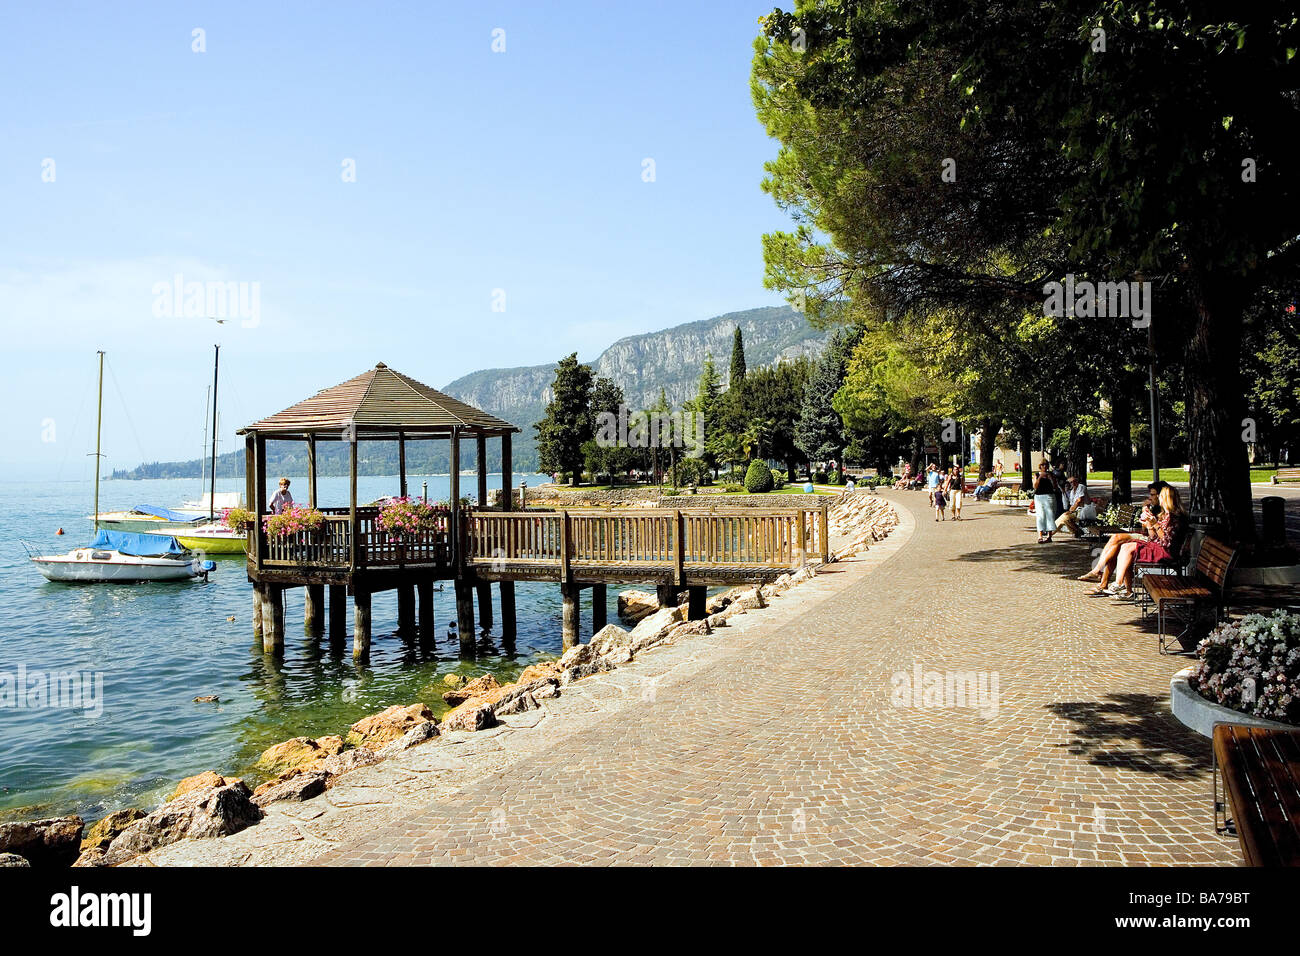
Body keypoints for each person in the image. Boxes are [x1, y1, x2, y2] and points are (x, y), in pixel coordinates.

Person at [1079, 482, 1169, 588]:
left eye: (1153, 494)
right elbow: (1145, 528)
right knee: (1115, 542)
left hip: (1151, 540)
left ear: (1161, 495)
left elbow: (1153, 536)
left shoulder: (1164, 512)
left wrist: (1149, 520)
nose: (1150, 497)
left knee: (1117, 539)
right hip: (1144, 534)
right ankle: (1101, 580)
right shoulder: (1154, 508)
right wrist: (1146, 513)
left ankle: (1100, 574)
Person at [1104, 486, 1188, 599]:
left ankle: (1120, 584)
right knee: (1125, 547)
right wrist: (1149, 525)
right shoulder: (1164, 515)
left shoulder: (1175, 517)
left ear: (1167, 498)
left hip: (1167, 552)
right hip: (1159, 547)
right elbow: (1154, 538)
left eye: (1160, 496)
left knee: (1128, 549)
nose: (1159, 499)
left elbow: (1167, 542)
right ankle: (1124, 588)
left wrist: (1156, 524)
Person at [1032, 461, 1058, 543]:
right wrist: (1040, 477)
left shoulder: (1051, 474)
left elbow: (1055, 486)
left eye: (1046, 465)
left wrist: (1050, 478)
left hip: (1049, 496)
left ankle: (1049, 536)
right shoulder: (1036, 475)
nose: (1044, 466)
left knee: (1050, 515)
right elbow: (1035, 486)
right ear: (1040, 466)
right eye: (1042, 465)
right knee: (1040, 516)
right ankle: (1040, 536)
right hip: (1039, 497)